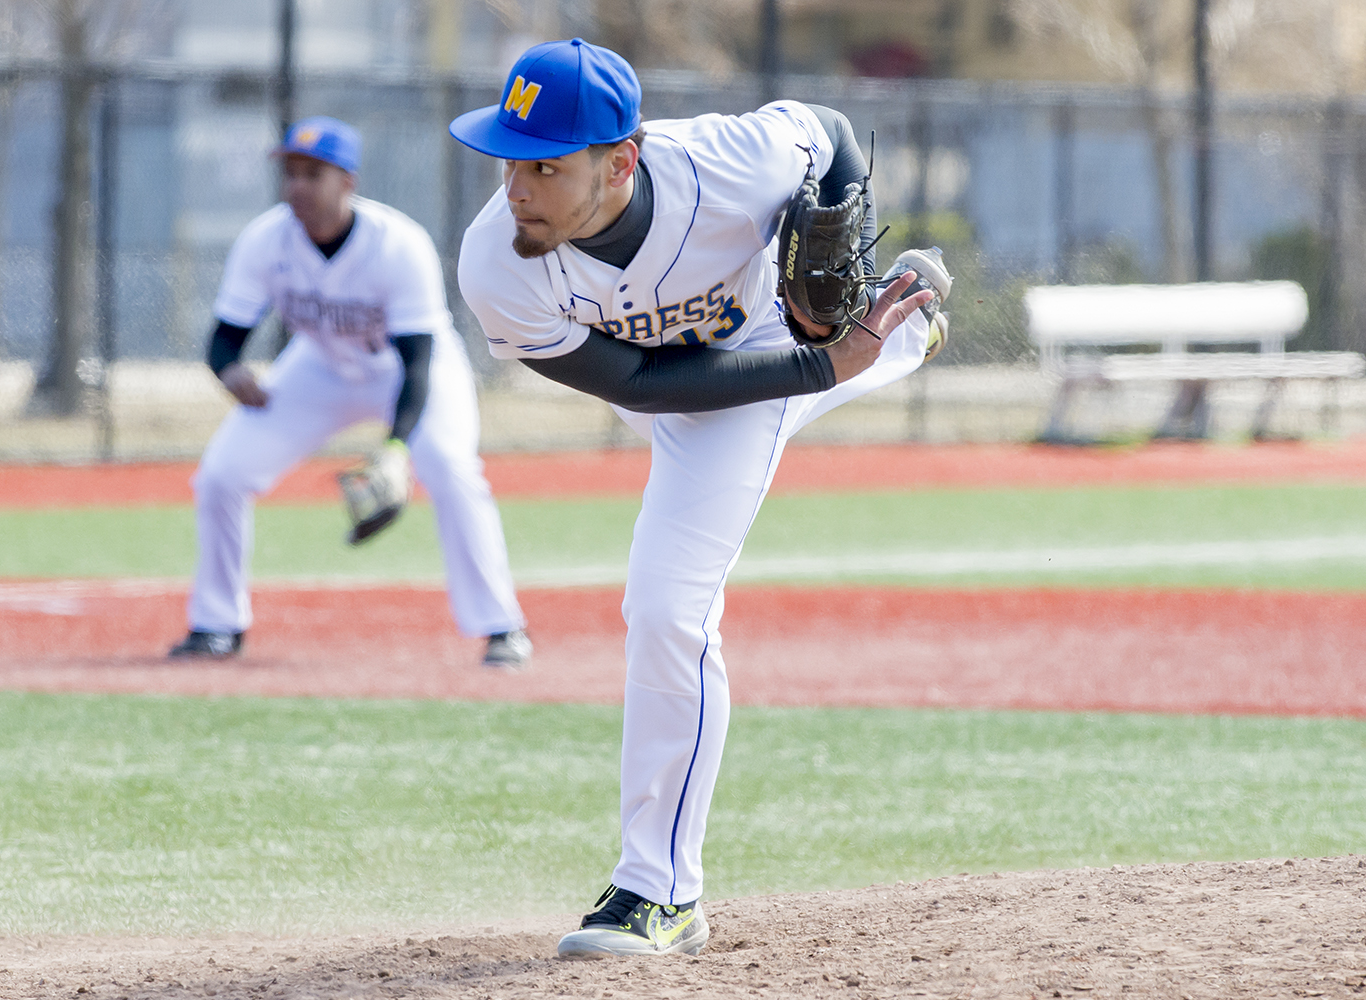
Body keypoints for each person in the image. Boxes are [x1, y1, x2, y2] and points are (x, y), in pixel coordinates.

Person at [449, 40, 950, 957]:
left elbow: (832, 133)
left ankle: (661, 893)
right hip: (668, 380)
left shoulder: (727, 165)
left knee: (668, 608)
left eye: (546, 166)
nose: (517, 187)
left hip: (758, 338)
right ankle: (901, 324)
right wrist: (825, 364)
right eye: (509, 160)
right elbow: (642, 384)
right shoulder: (497, 264)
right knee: (796, 388)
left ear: (620, 163)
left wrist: (829, 302)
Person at [169, 116, 532, 669]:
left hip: (409, 369)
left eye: (313, 174)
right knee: (222, 474)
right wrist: (229, 371)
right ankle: (216, 625)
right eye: (291, 172)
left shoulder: (397, 244)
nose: (297, 186)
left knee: (451, 469)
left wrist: (396, 446)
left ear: (347, 181)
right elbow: (224, 339)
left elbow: (416, 362)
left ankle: (501, 626)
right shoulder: (266, 240)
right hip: (319, 366)